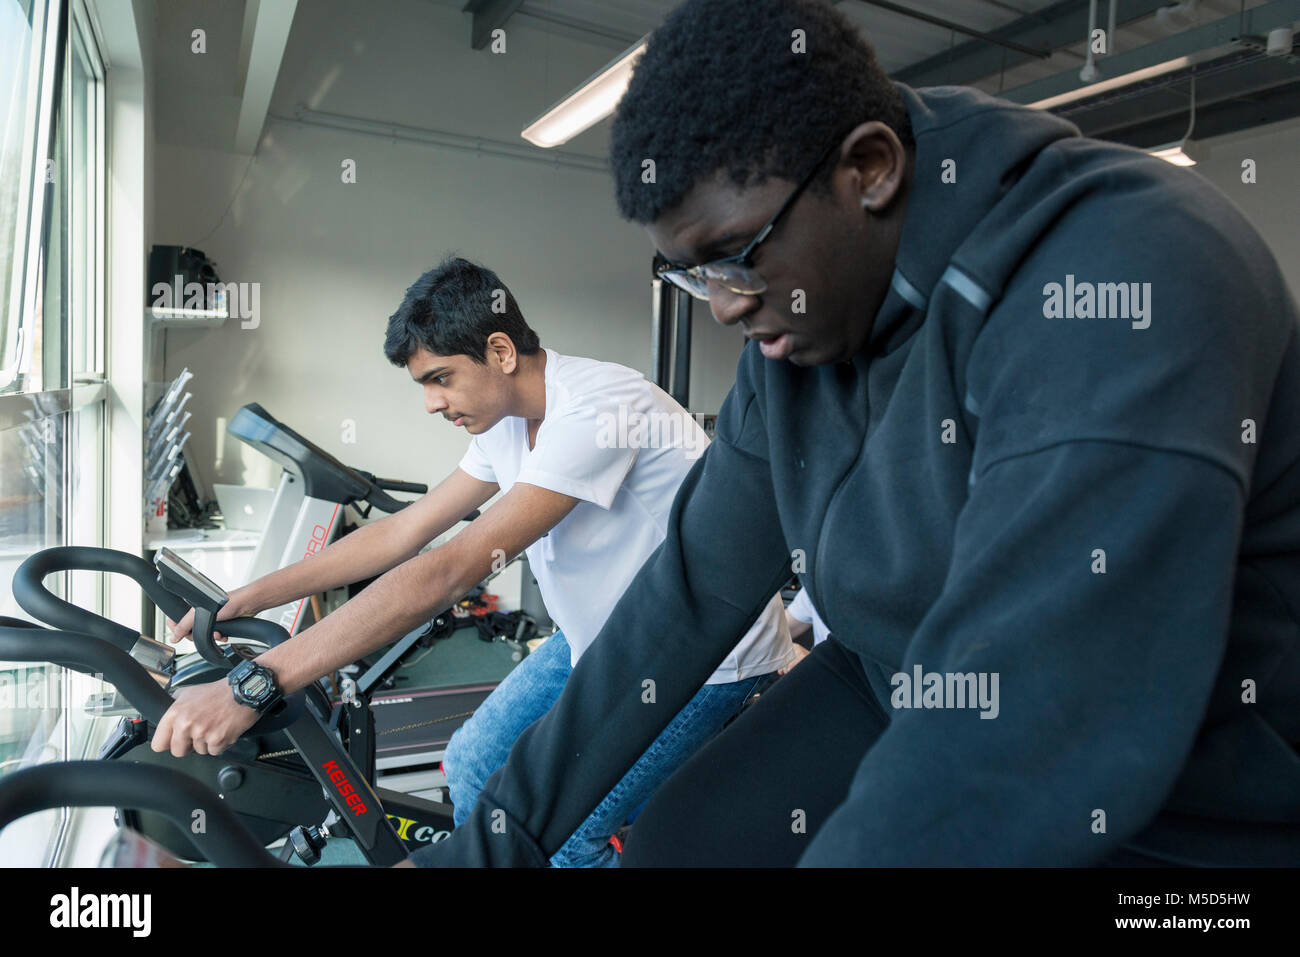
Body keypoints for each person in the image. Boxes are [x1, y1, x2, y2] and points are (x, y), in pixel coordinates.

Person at [409, 0, 1300, 867]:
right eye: (692, 276)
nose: (723, 307)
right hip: (893, 679)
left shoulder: (1121, 275)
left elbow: (1036, 704)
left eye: (735, 256)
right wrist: (487, 849)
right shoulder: (799, 339)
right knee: (683, 845)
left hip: (1173, 782)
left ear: (868, 169)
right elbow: (687, 595)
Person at [154, 256, 793, 867]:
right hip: (602, 643)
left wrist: (258, 681)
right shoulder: (505, 423)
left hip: (704, 657)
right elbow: (404, 532)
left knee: (562, 829)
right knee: (474, 765)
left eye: (440, 378)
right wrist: (249, 597)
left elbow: (453, 568)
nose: (432, 403)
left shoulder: (599, 407)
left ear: (500, 352)